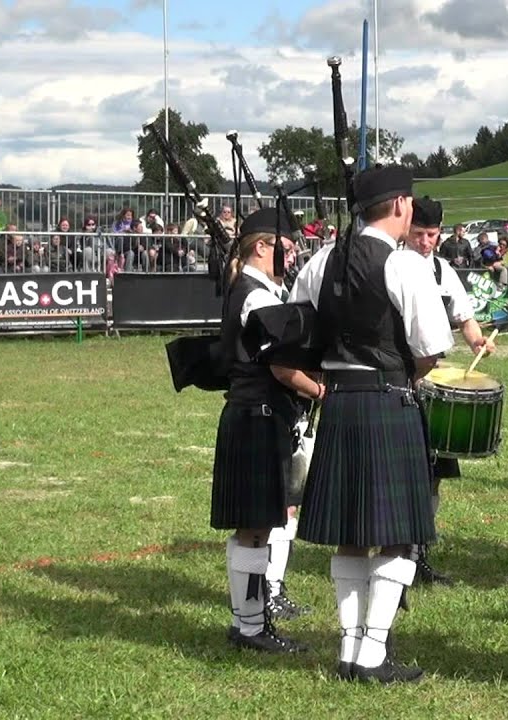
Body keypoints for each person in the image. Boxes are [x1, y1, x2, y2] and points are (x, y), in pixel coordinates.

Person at [289, 165, 454, 684]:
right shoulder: (405, 266)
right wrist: (400, 371)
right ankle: (374, 654)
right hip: (388, 402)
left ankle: (348, 649)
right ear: (402, 205)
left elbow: (296, 327)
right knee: (399, 536)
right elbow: (431, 349)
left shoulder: (321, 262)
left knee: (351, 535)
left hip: (337, 403)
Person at [211, 206, 321, 654]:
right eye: (287, 249)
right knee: (255, 528)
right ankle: (251, 627)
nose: (291, 257)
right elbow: (280, 367)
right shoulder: (258, 297)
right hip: (257, 416)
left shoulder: (253, 288)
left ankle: (248, 622)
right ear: (262, 247)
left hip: (250, 414)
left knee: (252, 527)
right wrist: (321, 390)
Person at [405, 196, 496, 585]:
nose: (427, 241)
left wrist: (477, 341)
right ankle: (397, 548)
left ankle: (420, 551)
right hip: (398, 378)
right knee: (405, 471)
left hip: (434, 382)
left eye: (433, 234)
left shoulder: (443, 269)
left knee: (433, 473)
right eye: (420, 234)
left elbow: (466, 318)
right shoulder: (393, 264)